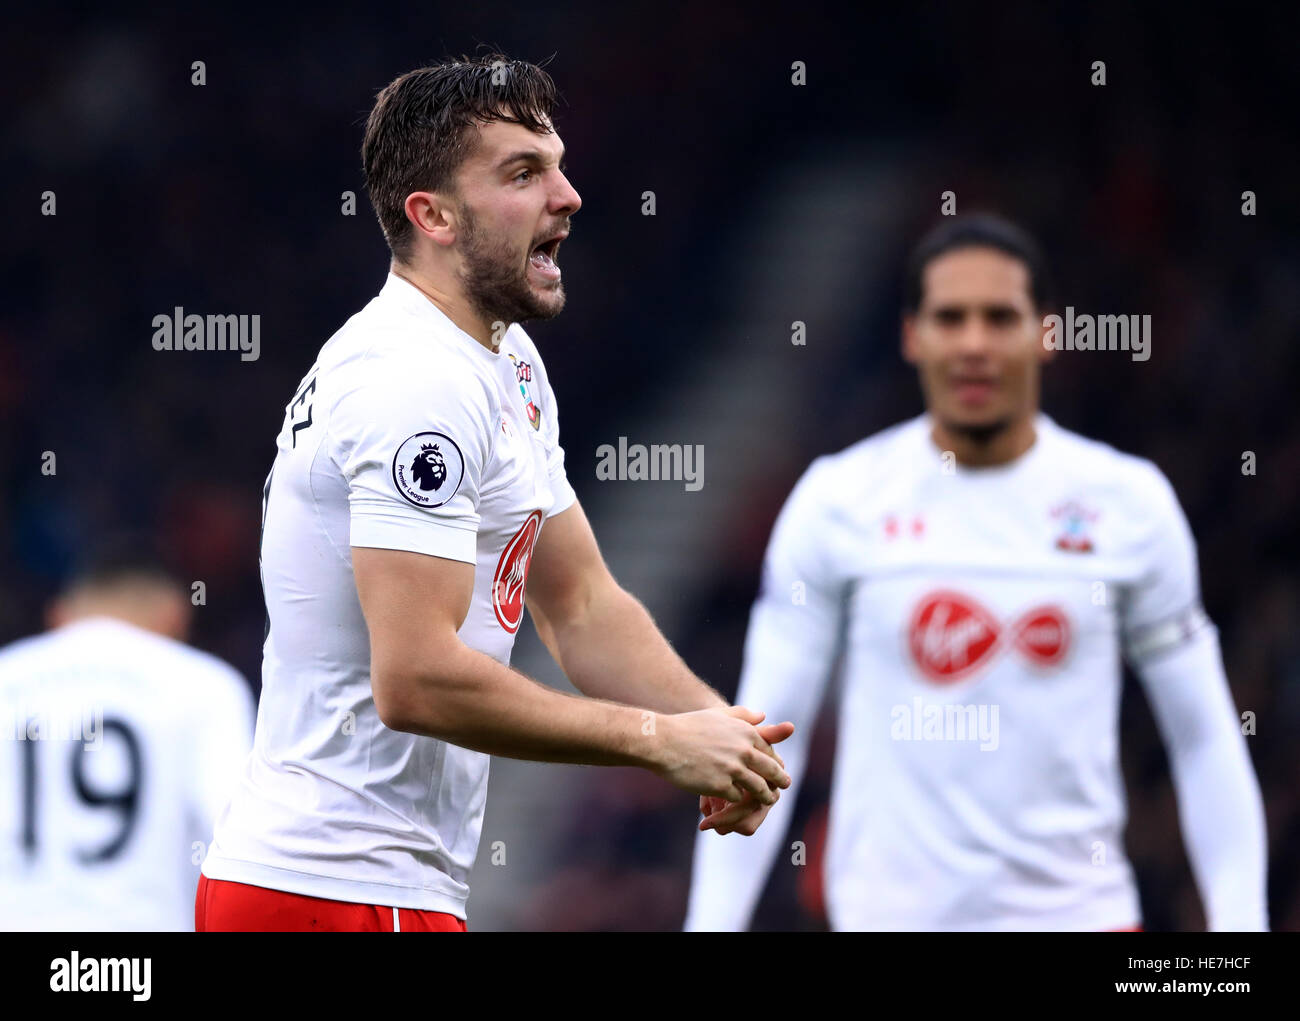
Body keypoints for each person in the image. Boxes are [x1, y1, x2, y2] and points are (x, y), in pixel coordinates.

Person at [197, 55, 792, 933]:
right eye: (523, 173)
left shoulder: (503, 360)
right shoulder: (411, 382)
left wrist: (718, 731)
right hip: (330, 887)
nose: (570, 195)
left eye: (556, 162)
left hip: (381, 885)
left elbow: (580, 603)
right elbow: (416, 679)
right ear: (431, 215)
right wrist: (660, 743)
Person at [684, 214, 1269, 932]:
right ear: (912, 335)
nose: (973, 344)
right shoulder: (840, 502)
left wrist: (1243, 928)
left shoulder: (1127, 504)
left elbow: (1205, 733)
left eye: (1000, 318)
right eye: (950, 318)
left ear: (1045, 332)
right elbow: (766, 739)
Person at [0, 551, 253, 931]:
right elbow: (235, 838)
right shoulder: (206, 685)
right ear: (176, 615)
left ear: (57, 615)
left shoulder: (8, 676)